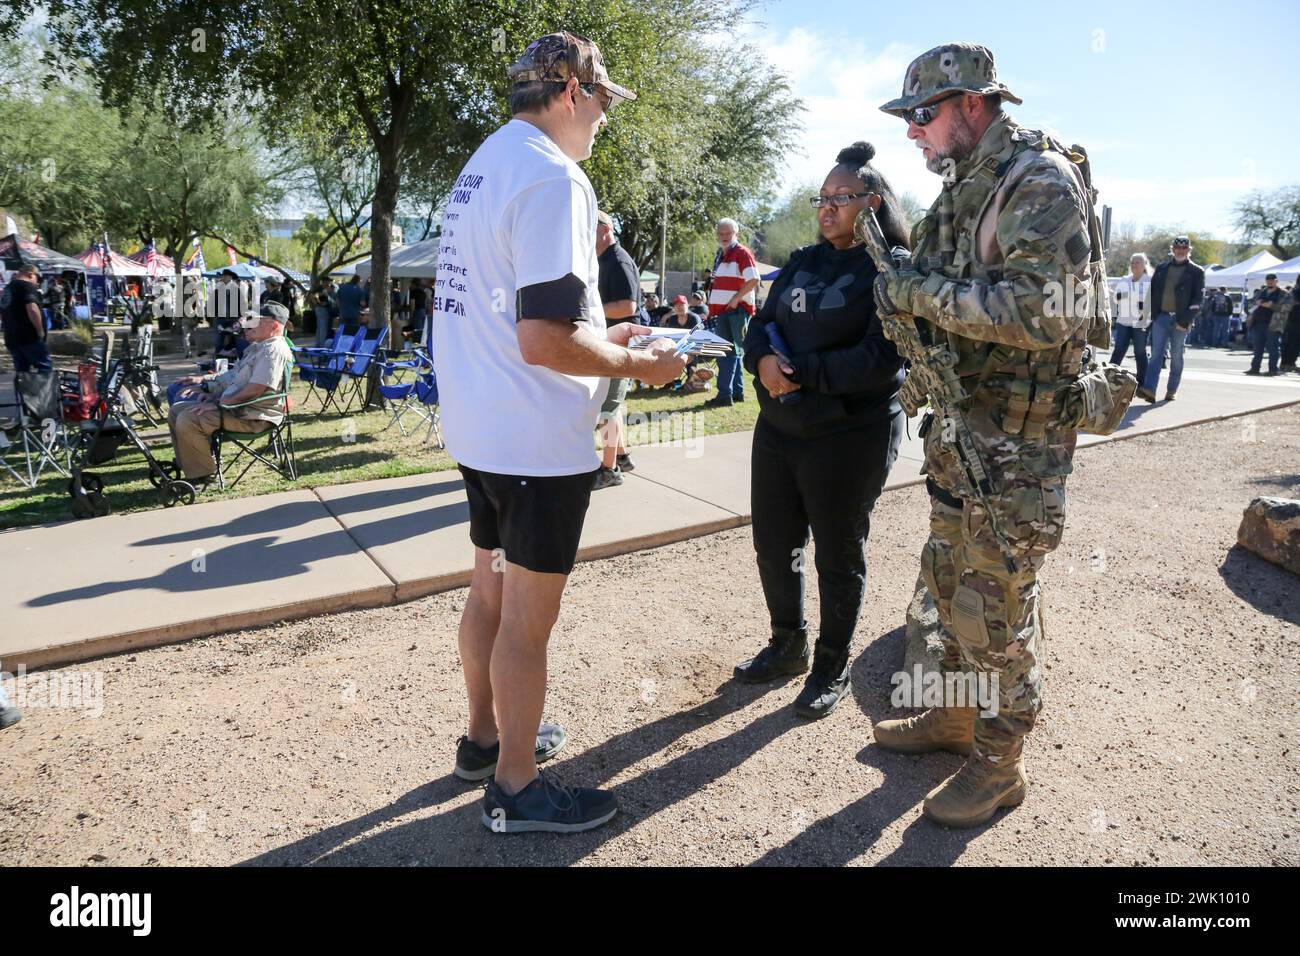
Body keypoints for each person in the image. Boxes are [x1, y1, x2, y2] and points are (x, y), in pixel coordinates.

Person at [428, 31, 685, 835]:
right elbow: (545, 339)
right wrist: (645, 368)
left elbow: (526, 317)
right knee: (526, 623)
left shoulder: (485, 162)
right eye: (604, 101)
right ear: (572, 90)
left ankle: (482, 739)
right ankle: (515, 788)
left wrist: (616, 344)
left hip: (480, 426)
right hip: (535, 438)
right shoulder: (555, 179)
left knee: (488, 590)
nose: (606, 117)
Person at [871, 43, 1102, 827]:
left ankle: (1000, 765)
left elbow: (1045, 311)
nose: (914, 132)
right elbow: (933, 280)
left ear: (975, 105)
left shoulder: (1037, 179)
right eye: (908, 119)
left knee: (995, 607)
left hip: (1018, 444)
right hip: (962, 428)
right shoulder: (964, 187)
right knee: (944, 579)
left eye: (923, 115)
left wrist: (918, 291)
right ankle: (955, 715)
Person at [734, 141, 906, 719]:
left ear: (873, 203)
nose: (827, 208)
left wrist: (800, 373)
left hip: (848, 435)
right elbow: (760, 325)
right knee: (774, 543)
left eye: (842, 198)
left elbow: (882, 359)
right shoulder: (803, 261)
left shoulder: (892, 271)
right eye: (822, 198)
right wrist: (761, 362)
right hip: (780, 429)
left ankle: (831, 664)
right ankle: (787, 645)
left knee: (837, 552)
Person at [165, 302, 294, 490]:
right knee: (176, 411)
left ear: (273, 326)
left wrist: (219, 404)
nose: (250, 325)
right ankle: (189, 465)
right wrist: (208, 390)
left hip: (254, 416)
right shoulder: (259, 347)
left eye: (257, 322)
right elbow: (235, 379)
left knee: (188, 418)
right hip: (241, 409)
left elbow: (257, 389)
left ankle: (203, 478)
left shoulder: (272, 349)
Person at [594, 209, 642, 489]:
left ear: (604, 229)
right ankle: (621, 456)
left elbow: (627, 306)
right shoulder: (603, 259)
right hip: (609, 341)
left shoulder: (618, 261)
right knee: (612, 404)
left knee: (607, 407)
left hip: (619, 343)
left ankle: (609, 470)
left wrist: (590, 312)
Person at [1137, 237, 1204, 402]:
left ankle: (1172, 389)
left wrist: (1186, 321)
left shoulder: (1196, 271)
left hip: (1181, 320)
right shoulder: (1161, 268)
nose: (1180, 251)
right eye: (1177, 248)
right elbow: (1151, 293)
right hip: (1162, 317)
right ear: (1172, 249)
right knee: (1156, 355)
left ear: (1189, 250)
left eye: (1184, 248)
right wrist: (1147, 315)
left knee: (1176, 356)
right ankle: (1149, 389)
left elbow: (1198, 299)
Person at [704, 218, 759, 407]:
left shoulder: (742, 253)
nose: (724, 237)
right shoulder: (722, 254)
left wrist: (735, 299)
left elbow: (754, 280)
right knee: (733, 351)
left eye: (728, 233)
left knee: (726, 352)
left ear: (736, 233)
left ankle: (725, 394)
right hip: (726, 310)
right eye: (721, 233)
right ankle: (736, 392)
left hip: (735, 310)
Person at [1110, 253, 1151, 386]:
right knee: (1119, 350)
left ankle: (1142, 382)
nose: (1134, 265)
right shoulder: (1124, 280)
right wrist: (1133, 295)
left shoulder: (1149, 281)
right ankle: (1109, 378)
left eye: (1138, 262)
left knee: (1139, 352)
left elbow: (1147, 300)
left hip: (1140, 322)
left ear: (1144, 264)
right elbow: (1116, 298)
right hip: (1123, 321)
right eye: (1133, 262)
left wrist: (1128, 295)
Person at [1, 265, 52, 372]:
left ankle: (23, 389)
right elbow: (32, 308)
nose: (36, 282)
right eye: (36, 278)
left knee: (22, 371)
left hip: (12, 337)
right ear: (31, 274)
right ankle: (43, 389)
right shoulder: (27, 286)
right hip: (29, 336)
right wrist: (40, 330)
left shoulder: (8, 289)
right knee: (44, 366)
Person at [1245, 273, 1284, 376]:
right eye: (1268, 280)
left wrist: (1265, 304)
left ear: (1276, 281)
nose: (1270, 282)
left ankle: (1273, 369)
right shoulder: (1263, 291)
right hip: (1258, 322)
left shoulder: (1281, 293)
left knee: (1273, 348)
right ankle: (1255, 368)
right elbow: (1255, 302)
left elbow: (1278, 306)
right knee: (1258, 347)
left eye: (1272, 280)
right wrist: (1264, 304)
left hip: (1272, 324)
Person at [1281, 282, 1300, 373]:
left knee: (1290, 343)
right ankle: (1289, 363)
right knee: (1293, 344)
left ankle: (1286, 363)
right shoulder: (1296, 291)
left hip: (1291, 320)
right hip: (1295, 320)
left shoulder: (1293, 291)